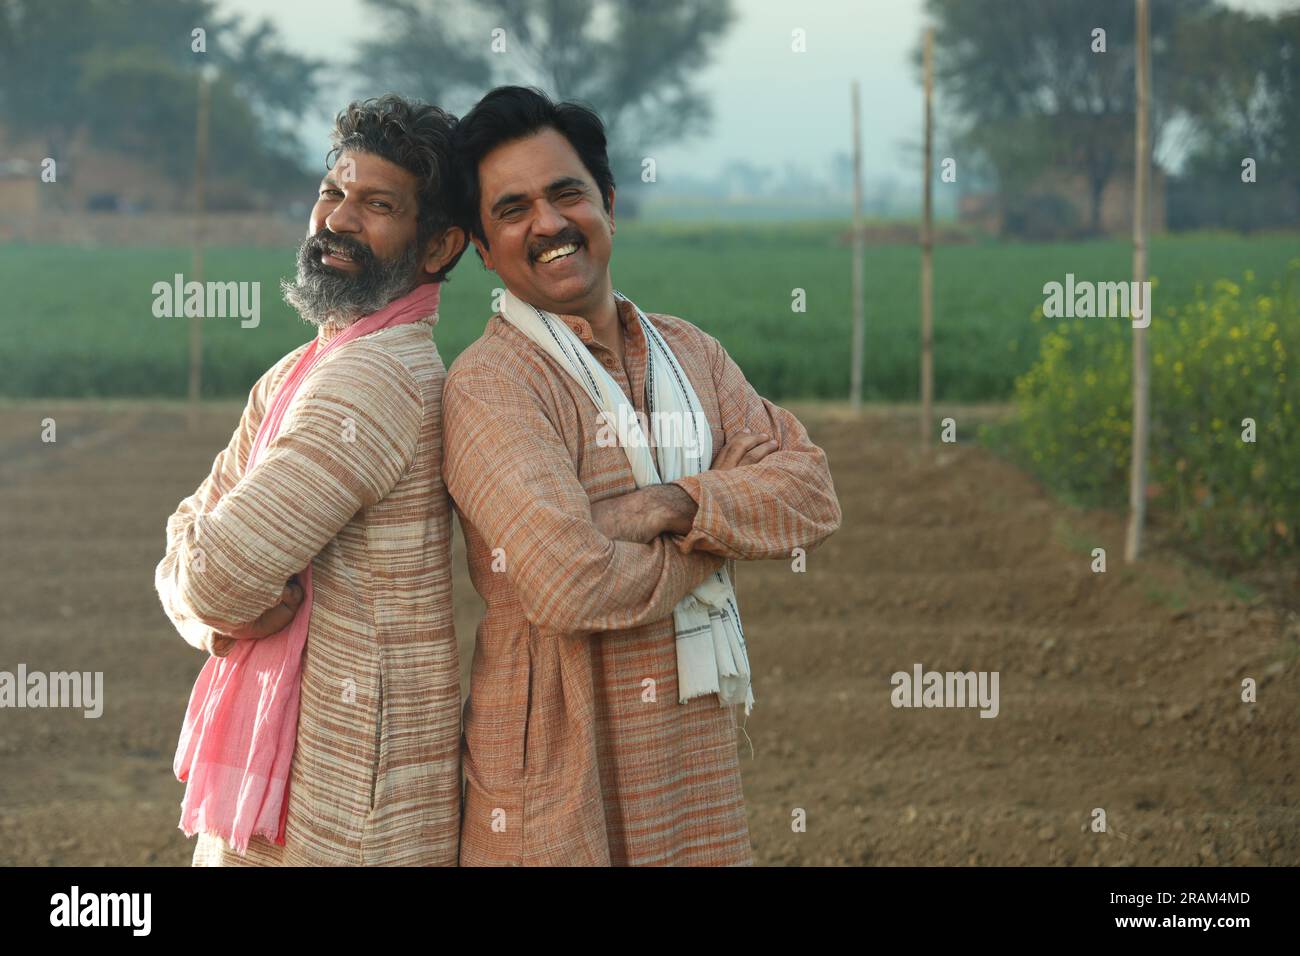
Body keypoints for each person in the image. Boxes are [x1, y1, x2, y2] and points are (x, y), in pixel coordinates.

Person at [442, 86, 842, 866]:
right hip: (556, 762)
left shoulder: (690, 352)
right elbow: (569, 584)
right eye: (514, 209)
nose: (550, 224)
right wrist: (720, 536)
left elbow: (811, 492)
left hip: (691, 753)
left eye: (567, 195)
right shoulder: (491, 384)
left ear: (610, 205)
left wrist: (667, 502)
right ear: (484, 251)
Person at [155, 94, 466, 866]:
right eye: (332, 192)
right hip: (300, 770)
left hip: (341, 790)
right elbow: (189, 551)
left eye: (377, 204)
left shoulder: (374, 378)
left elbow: (217, 569)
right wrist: (211, 609)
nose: (337, 220)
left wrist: (209, 593)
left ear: (439, 246)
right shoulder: (302, 370)